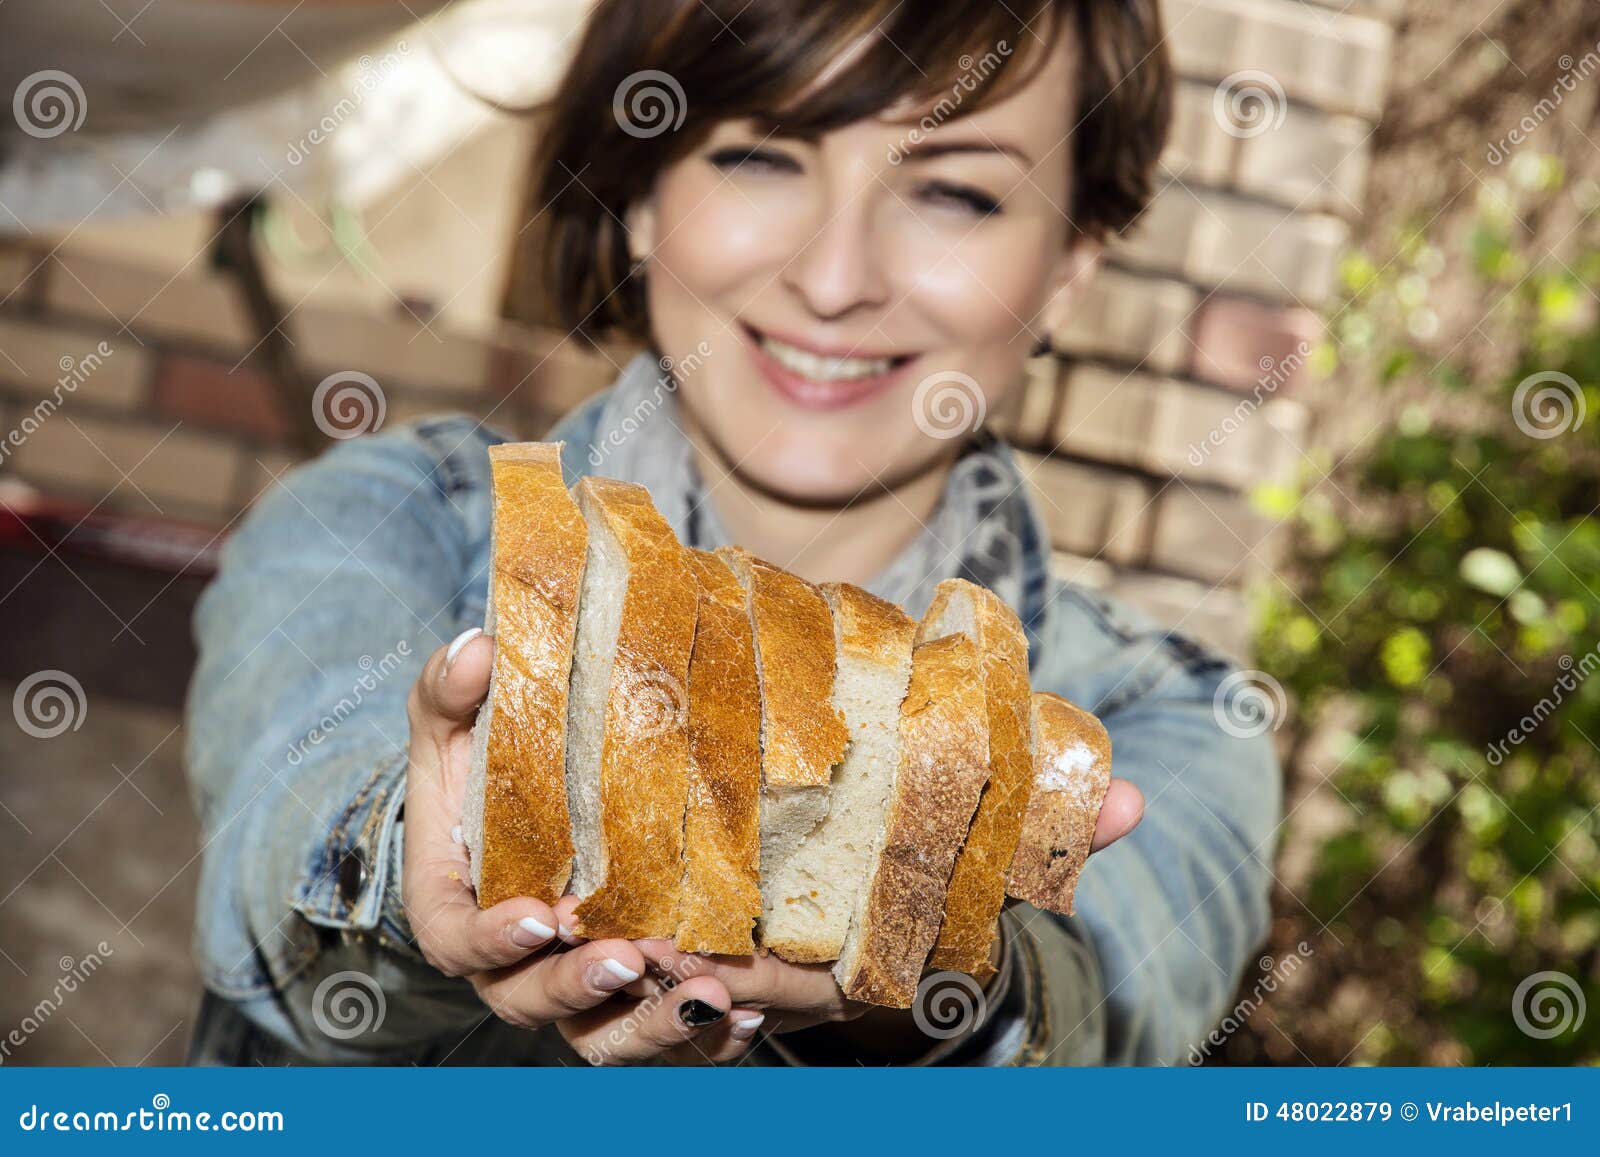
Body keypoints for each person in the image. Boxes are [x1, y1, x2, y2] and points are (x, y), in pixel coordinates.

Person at [184, 0, 1281, 1066]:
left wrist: (935, 984)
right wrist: (418, 853)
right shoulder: (390, 518)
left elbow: (1098, 1027)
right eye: (761, 157)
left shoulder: (1167, 721)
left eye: (953, 190)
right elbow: (286, 843)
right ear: (643, 194)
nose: (833, 278)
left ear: (1071, 266)